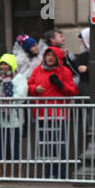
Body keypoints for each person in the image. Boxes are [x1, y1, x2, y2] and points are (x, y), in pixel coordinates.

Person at [27, 45, 76, 180]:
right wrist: (35, 89)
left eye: (53, 55)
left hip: (59, 114)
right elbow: (29, 86)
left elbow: (72, 91)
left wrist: (60, 85)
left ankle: (62, 175)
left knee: (59, 146)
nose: (50, 58)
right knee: (47, 147)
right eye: (48, 55)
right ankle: (49, 175)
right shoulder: (37, 70)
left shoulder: (64, 71)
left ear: (58, 58)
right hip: (42, 114)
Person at [0, 53, 27, 165]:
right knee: (0, 148)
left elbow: (21, 96)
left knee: (13, 147)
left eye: (6, 64)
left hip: (14, 120)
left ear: (12, 65)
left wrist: (5, 100)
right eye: (1, 64)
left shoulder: (19, 78)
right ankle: (2, 171)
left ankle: (15, 172)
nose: (3, 67)